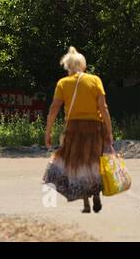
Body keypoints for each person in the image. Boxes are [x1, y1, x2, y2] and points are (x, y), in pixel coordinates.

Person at [43, 46, 115, 213]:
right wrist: (109, 131)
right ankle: (96, 194)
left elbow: (54, 109)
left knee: (78, 164)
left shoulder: (63, 83)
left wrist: (48, 131)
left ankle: (85, 204)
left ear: (68, 66)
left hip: (73, 128)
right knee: (94, 162)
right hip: (94, 127)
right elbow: (103, 107)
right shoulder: (94, 80)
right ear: (83, 65)